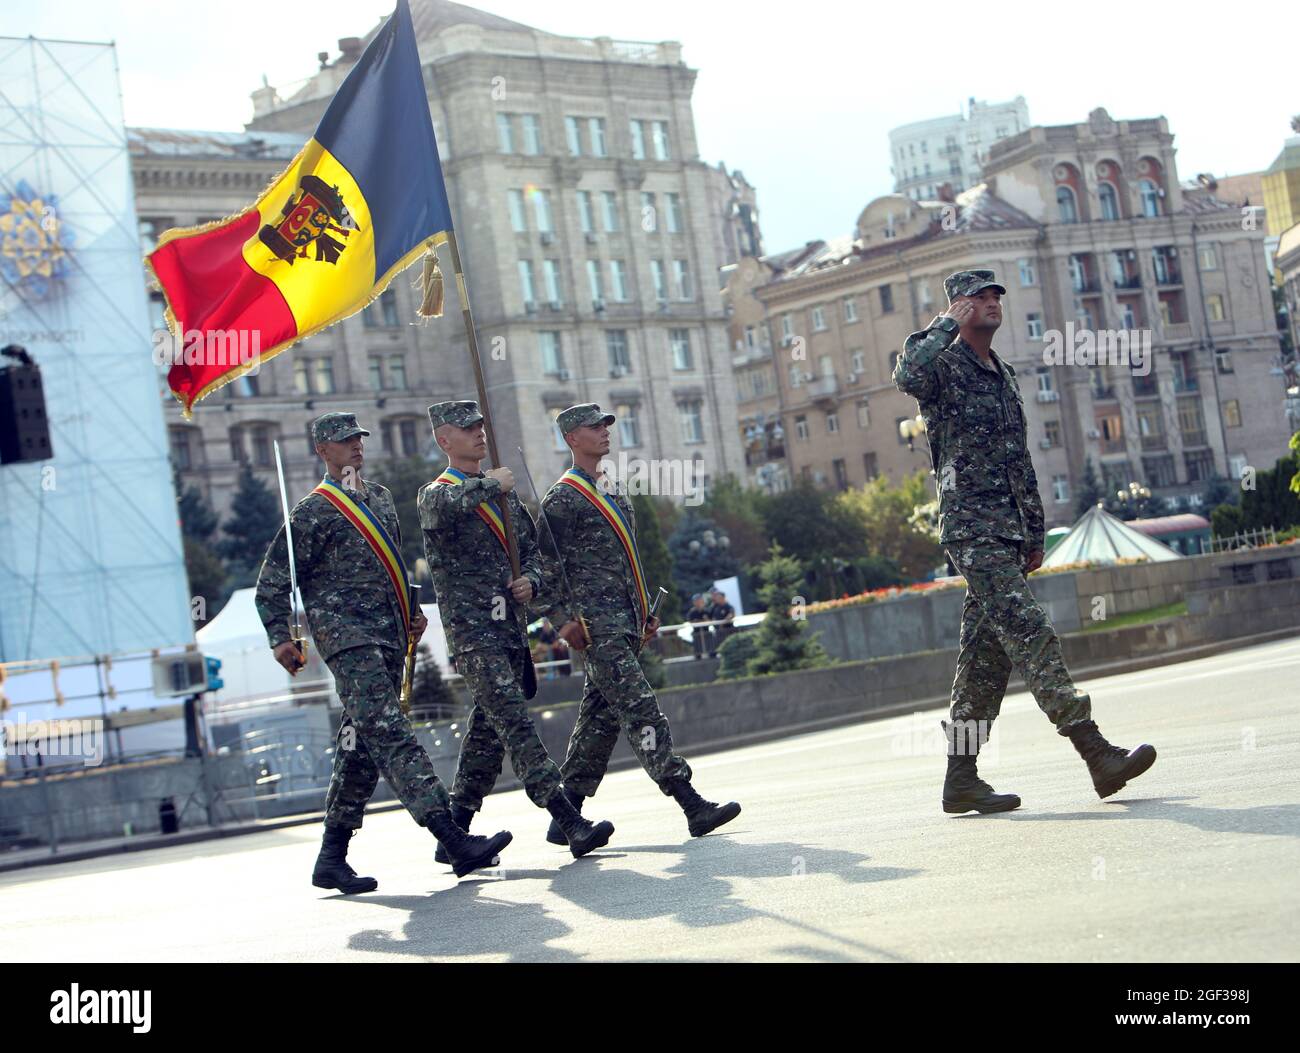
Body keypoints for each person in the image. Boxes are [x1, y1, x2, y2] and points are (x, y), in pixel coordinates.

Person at [893, 270, 1157, 814]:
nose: (993, 303)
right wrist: (947, 323)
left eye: (997, 296)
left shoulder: (1003, 373)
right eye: (981, 297)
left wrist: (1033, 530)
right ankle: (1096, 753)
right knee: (1029, 629)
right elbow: (906, 374)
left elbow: (1019, 457)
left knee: (984, 664)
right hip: (971, 527)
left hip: (1008, 532)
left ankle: (960, 779)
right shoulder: (940, 365)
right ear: (960, 306)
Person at [255, 412, 513, 891]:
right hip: (347, 641)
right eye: (343, 441)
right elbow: (271, 584)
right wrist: (280, 636)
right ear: (322, 451)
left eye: (358, 438)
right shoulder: (312, 512)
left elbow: (393, 564)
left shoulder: (380, 498)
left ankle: (331, 857)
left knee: (360, 750)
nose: (355, 446)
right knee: (394, 735)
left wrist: (409, 610)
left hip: (389, 638)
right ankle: (452, 838)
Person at [418, 401, 613, 860]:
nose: (479, 434)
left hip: (510, 635)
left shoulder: (503, 497)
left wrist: (533, 581)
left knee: (487, 737)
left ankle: (456, 830)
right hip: (475, 637)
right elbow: (444, 509)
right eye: (466, 429)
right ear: (444, 440)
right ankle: (569, 820)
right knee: (517, 728)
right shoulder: (438, 493)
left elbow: (534, 556)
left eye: (481, 426)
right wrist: (491, 485)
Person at [539, 404, 741, 840]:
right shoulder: (562, 498)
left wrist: (645, 613)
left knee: (600, 719)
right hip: (598, 629)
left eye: (606, 425)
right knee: (640, 710)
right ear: (572, 438)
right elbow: (544, 568)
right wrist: (561, 621)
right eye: (594, 427)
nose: (604, 432)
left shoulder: (612, 489)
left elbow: (629, 559)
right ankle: (690, 802)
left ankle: (566, 813)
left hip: (626, 622)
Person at [706, 588, 736, 657]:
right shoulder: (715, 607)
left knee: (729, 647)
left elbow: (731, 614)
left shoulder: (728, 606)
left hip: (728, 630)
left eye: (718, 597)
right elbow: (709, 616)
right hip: (718, 631)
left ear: (723, 598)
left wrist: (723, 622)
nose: (716, 599)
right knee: (714, 650)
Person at [686, 594, 712, 660]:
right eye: (696, 601)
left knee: (709, 644)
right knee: (697, 646)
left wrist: (705, 620)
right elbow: (690, 621)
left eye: (699, 600)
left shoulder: (706, 610)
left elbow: (711, 620)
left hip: (706, 631)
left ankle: (711, 654)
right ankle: (698, 656)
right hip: (697, 632)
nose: (698, 602)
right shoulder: (692, 612)